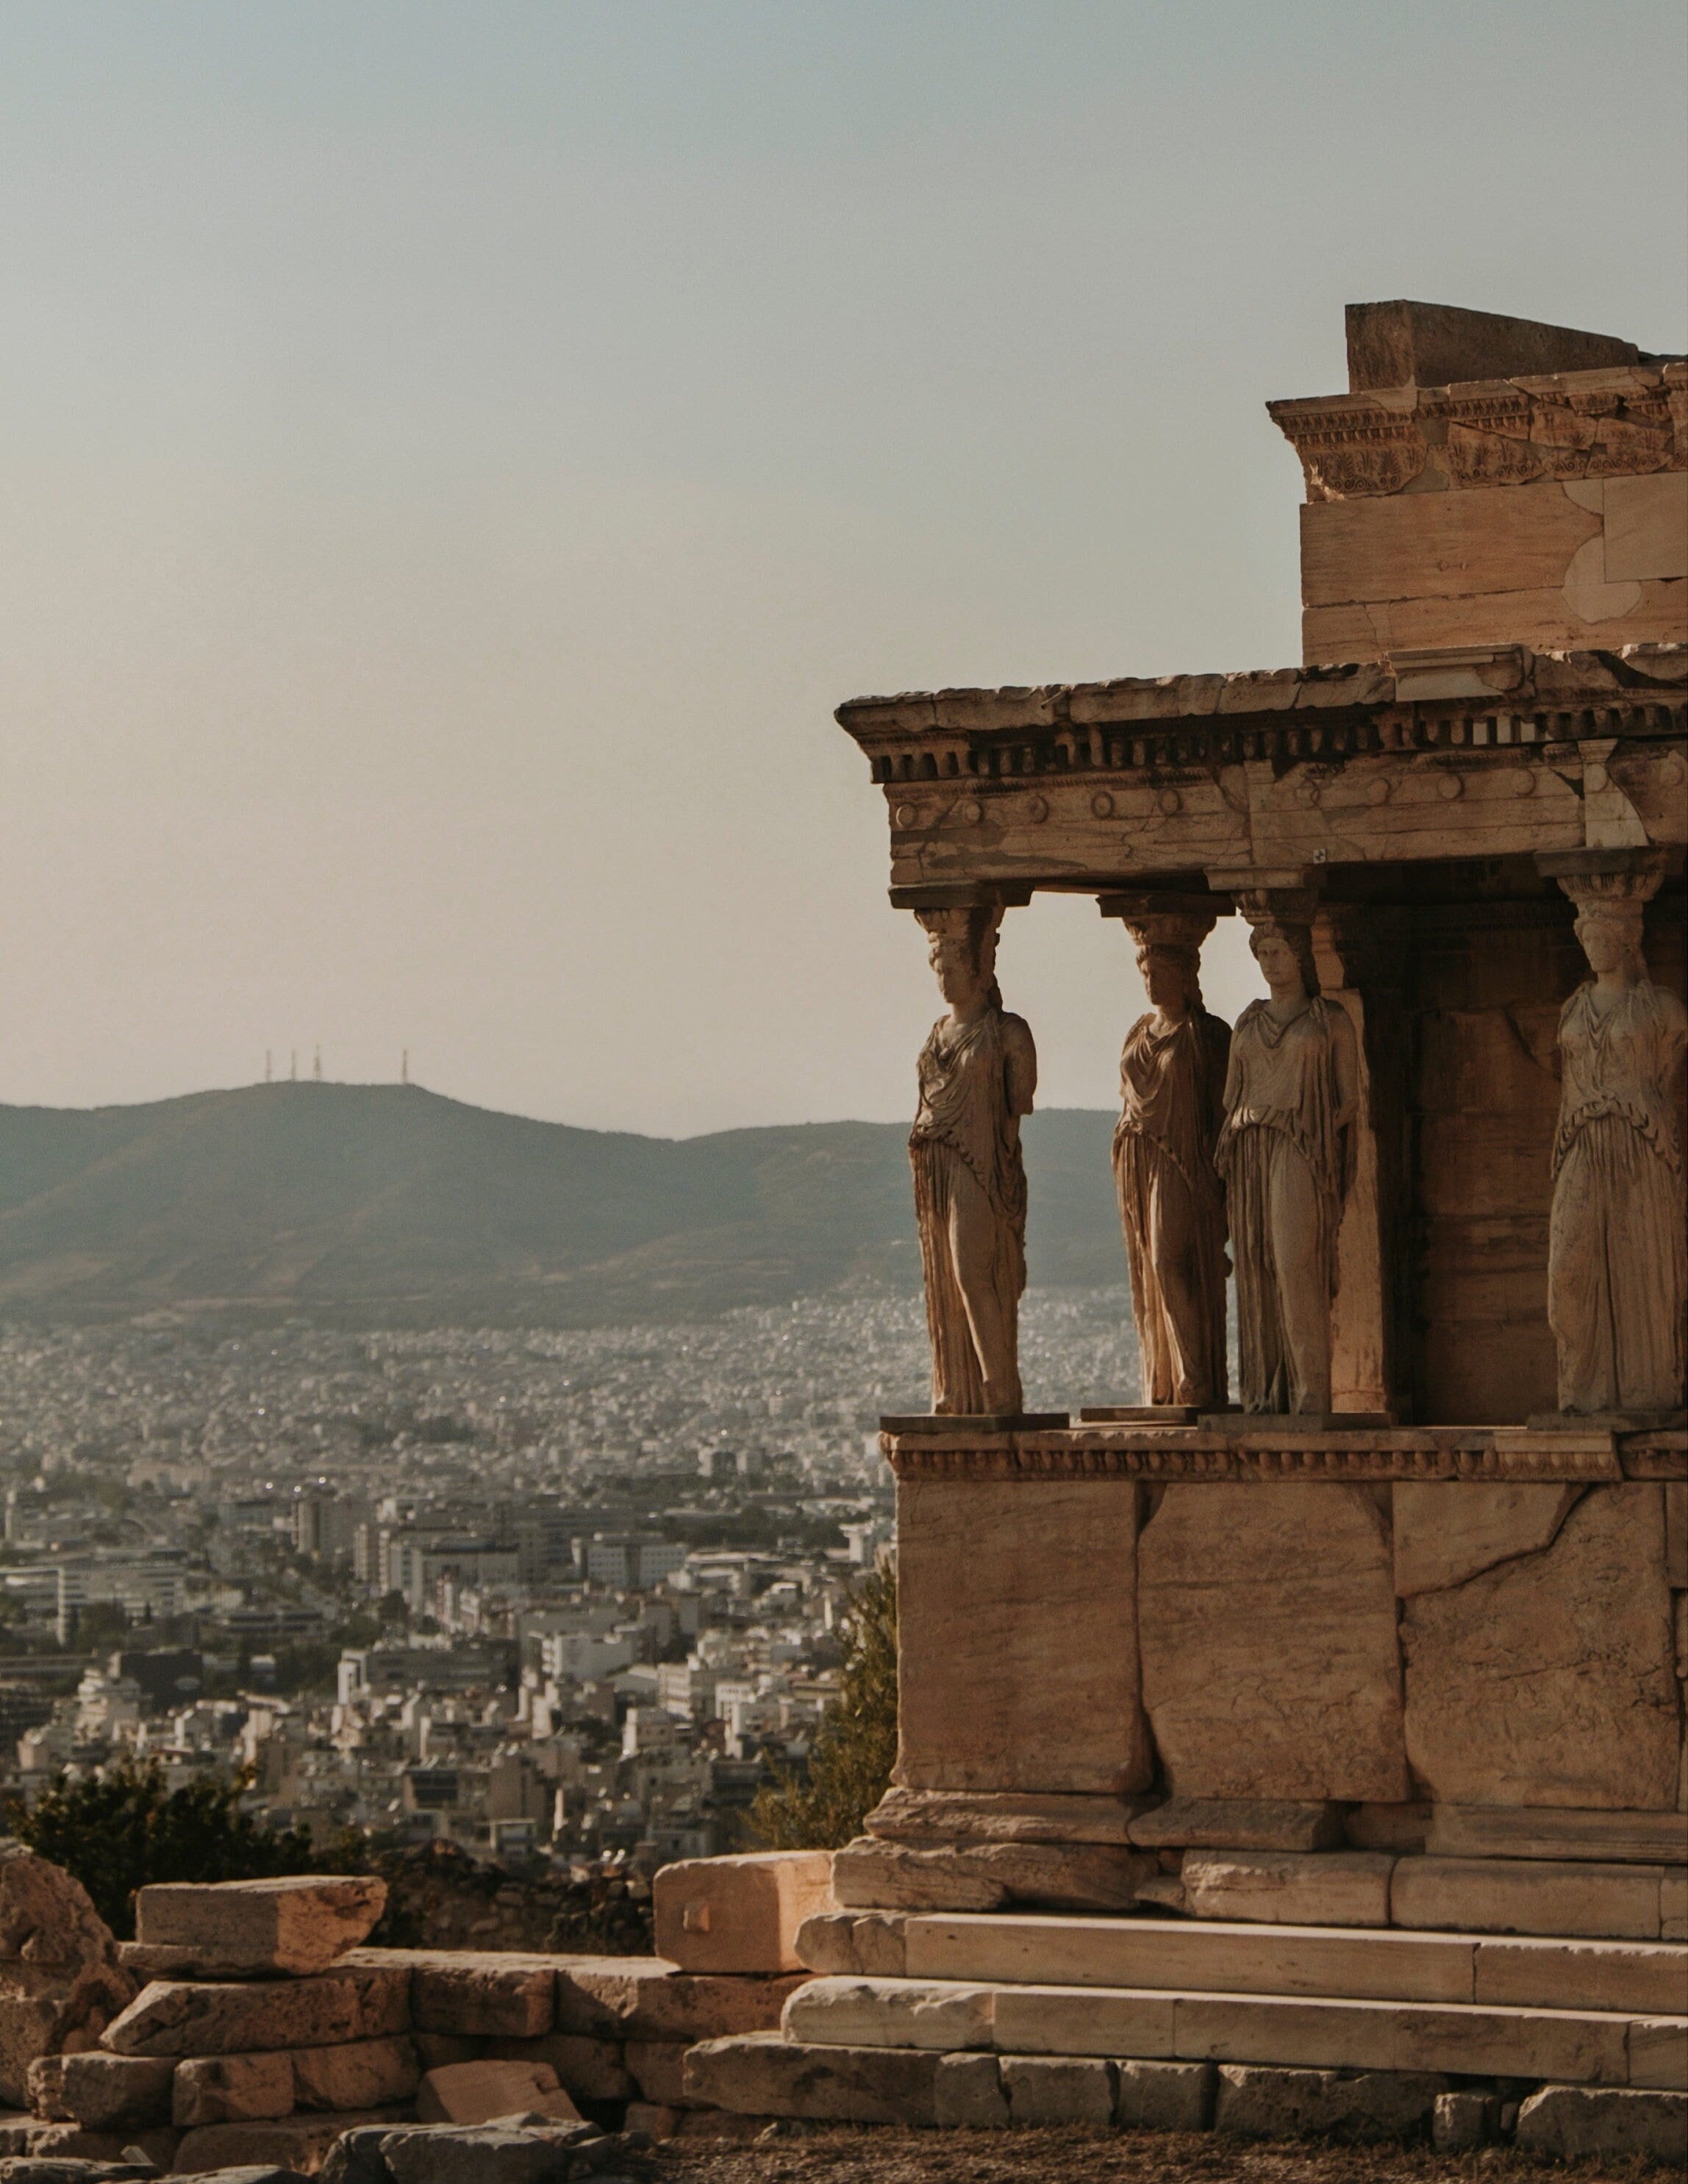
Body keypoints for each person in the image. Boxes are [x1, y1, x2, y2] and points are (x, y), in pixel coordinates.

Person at [1548, 891, 1687, 1415]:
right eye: (1587, 936)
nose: (1593, 946)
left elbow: (1667, 1079)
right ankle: (1583, 1391)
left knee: (1642, 1263)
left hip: (1641, 1141)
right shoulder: (1573, 1009)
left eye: (1602, 935)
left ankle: (1647, 1392)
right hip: (1580, 1140)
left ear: (1627, 939)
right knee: (1569, 1271)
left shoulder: (1664, 1009)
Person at [1217, 919, 1357, 1414]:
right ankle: (1266, 1393)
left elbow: (1347, 1101)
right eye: (1262, 953)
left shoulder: (1330, 1020)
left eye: (1278, 952)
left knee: (1296, 1262)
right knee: (1257, 1264)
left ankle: (1312, 1390)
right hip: (1251, 1146)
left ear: (1300, 955)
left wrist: (1307, 1128)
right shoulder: (1247, 1023)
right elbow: (1232, 1094)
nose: (1270, 963)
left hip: (1302, 1146)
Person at [909, 905, 1036, 1415]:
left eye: (953, 967)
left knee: (971, 1270)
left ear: (978, 969)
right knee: (944, 1274)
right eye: (938, 969)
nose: (944, 978)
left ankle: (999, 1385)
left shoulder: (1006, 1032)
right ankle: (962, 1389)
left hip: (980, 1163)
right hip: (935, 1164)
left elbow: (1020, 1098)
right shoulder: (936, 1033)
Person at [1113, 934, 1231, 1408]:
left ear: (1185, 974)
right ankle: (1168, 1374)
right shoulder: (1138, 1032)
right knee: (1151, 1263)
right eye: (1144, 971)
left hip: (1185, 1162)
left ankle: (1198, 1373)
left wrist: (1221, 1185)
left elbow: (1224, 1110)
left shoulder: (1208, 1035)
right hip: (1140, 1159)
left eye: (1159, 970)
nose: (1150, 979)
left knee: (1168, 1259)